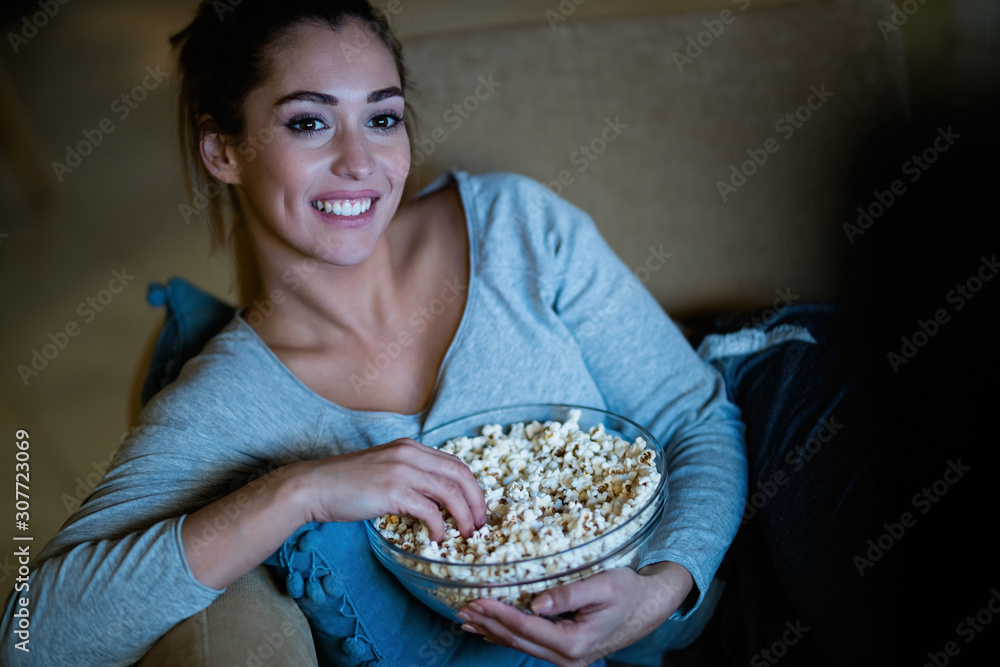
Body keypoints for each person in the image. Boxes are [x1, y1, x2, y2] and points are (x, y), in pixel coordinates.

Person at [0, 1, 752, 665]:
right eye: (308, 122)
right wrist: (299, 491)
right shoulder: (232, 401)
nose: (360, 164)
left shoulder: (516, 228)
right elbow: (31, 636)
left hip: (717, 571)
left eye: (382, 117)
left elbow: (694, 415)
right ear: (223, 150)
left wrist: (664, 586)